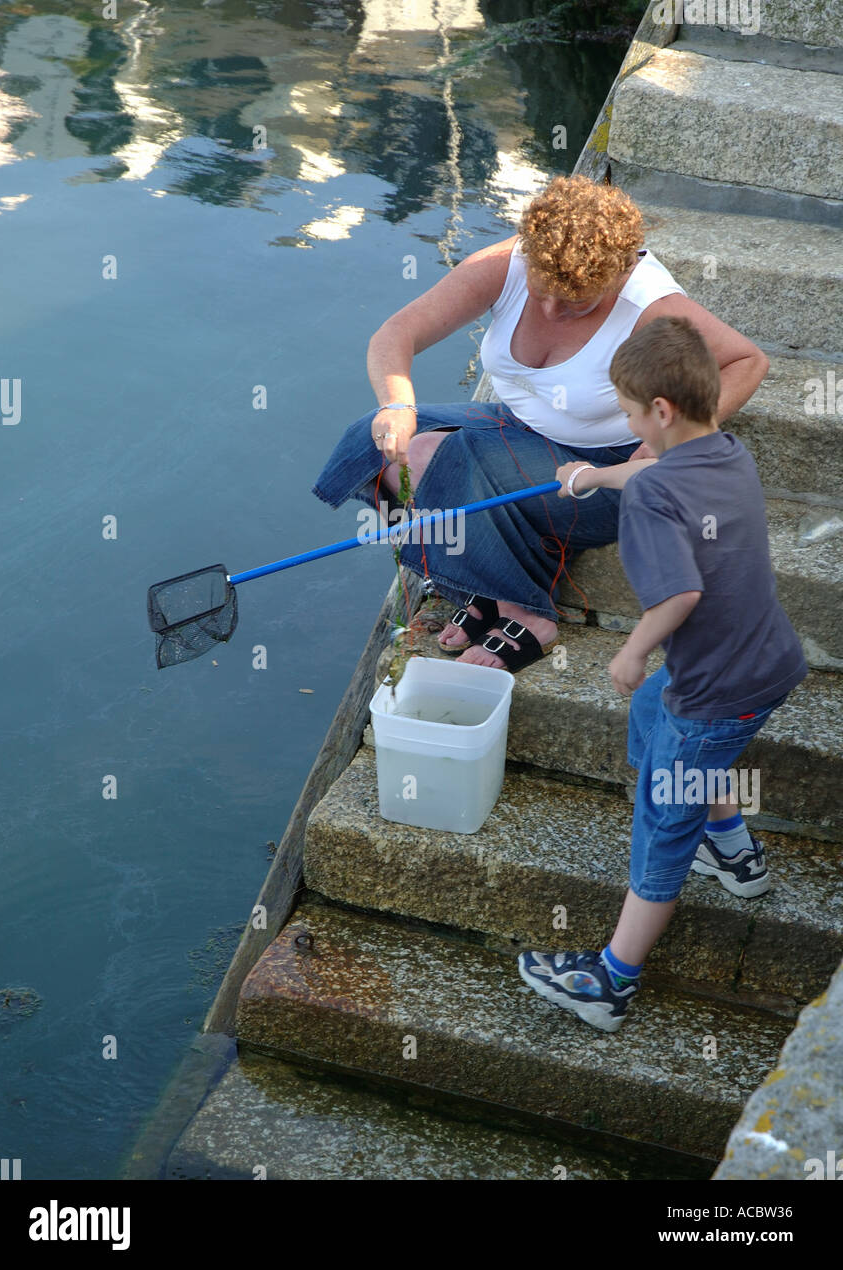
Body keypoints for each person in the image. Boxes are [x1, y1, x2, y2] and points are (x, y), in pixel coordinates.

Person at [312, 174, 769, 674]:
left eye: (577, 302)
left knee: (438, 455)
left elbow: (747, 361)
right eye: (542, 291)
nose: (553, 309)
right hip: (518, 429)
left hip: (606, 469)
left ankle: (526, 611)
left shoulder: (652, 305)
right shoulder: (506, 263)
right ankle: (482, 582)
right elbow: (396, 333)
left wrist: (674, 439)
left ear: (617, 275)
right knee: (373, 439)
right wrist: (396, 405)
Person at [517, 317, 808, 1033]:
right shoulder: (727, 451)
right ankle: (733, 850)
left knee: (662, 819)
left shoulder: (653, 501)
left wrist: (630, 650)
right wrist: (593, 477)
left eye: (625, 409)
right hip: (769, 664)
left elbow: (680, 595)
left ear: (660, 412)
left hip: (716, 692)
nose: (623, 419)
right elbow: (654, 469)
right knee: (652, 714)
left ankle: (608, 982)